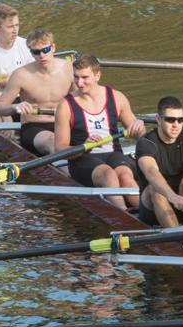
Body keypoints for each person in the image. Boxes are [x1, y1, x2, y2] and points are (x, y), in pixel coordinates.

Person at [54, 54, 146, 211]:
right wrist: (85, 146)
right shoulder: (65, 105)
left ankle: (148, 213)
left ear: (97, 75)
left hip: (113, 153)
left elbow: (141, 136)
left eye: (84, 77)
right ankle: (124, 215)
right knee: (109, 175)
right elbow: (59, 149)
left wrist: (139, 127)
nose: (79, 83)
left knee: (125, 176)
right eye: (76, 77)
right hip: (82, 159)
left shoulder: (117, 97)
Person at [0, 29, 74, 155]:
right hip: (35, 126)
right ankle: (67, 173)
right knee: (53, 142)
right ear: (30, 53)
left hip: (64, 122)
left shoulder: (69, 69)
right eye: (36, 52)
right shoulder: (21, 75)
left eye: (45, 50)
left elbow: (82, 100)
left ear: (53, 48)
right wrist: (15, 107)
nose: (42, 55)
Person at [134, 96, 183, 227]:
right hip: (152, 209)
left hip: (182, 203)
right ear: (158, 120)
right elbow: (151, 172)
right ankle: (178, 240)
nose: (176, 125)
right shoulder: (146, 143)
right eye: (170, 120)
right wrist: (171, 196)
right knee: (155, 189)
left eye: (180, 120)